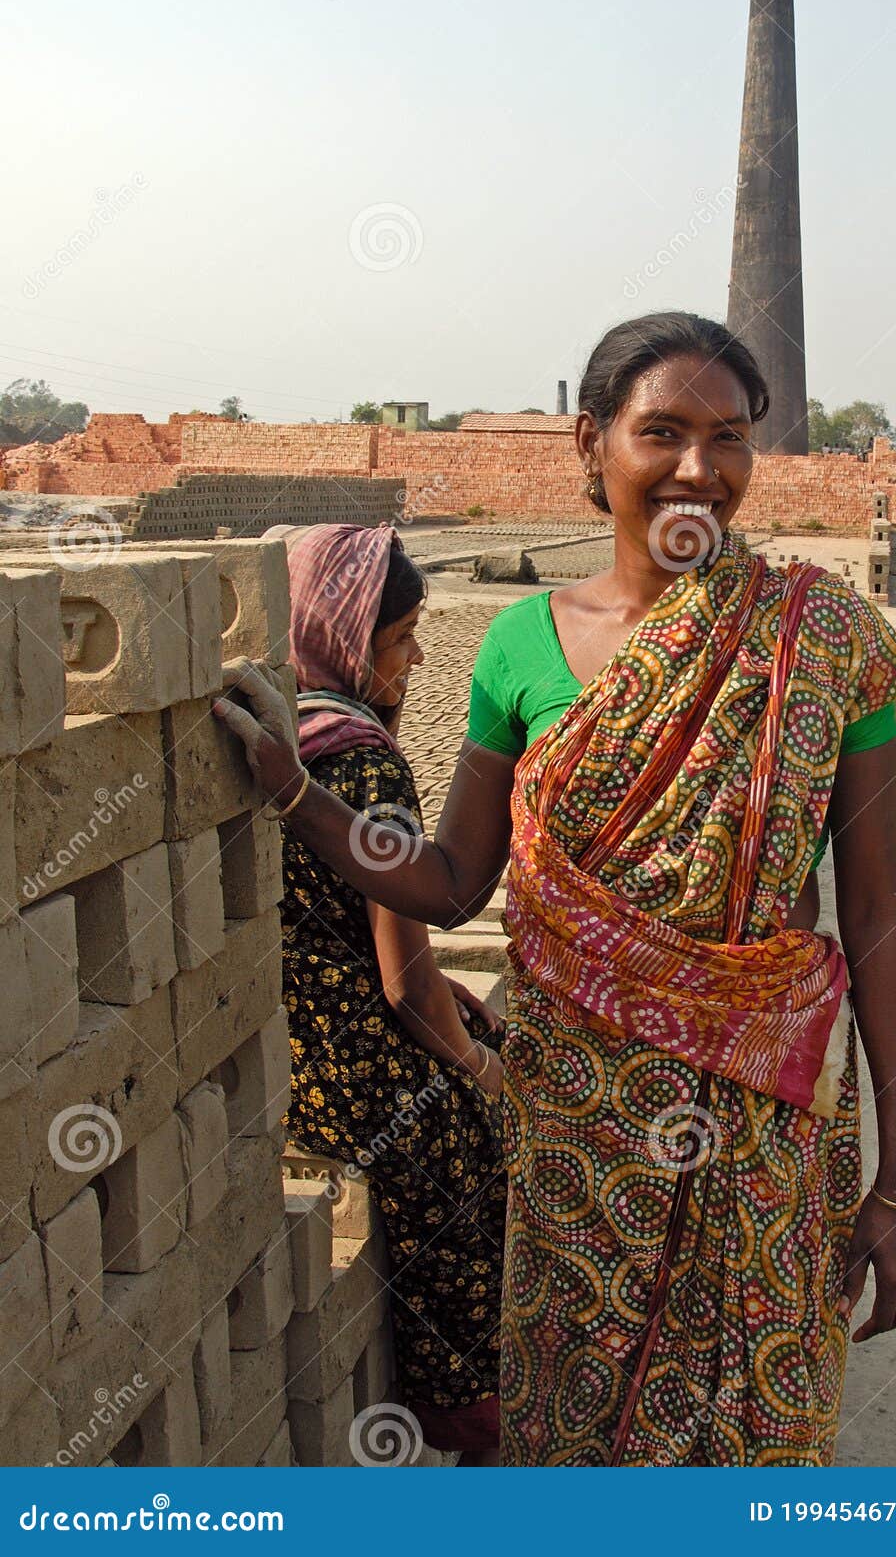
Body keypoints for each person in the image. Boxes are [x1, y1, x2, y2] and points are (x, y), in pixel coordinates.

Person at [215, 313, 896, 1468]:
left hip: (763, 1129)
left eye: (729, 436)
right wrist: (300, 795)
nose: (700, 466)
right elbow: (452, 880)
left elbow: (878, 911)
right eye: (664, 431)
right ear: (591, 441)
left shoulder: (826, 637)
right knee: (581, 1430)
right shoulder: (518, 646)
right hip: (575, 1134)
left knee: (752, 1439)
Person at [260, 523, 506, 1464]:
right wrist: (476, 1066)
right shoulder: (363, 765)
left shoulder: (282, 735)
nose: (415, 661)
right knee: (486, 1131)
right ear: (345, 638)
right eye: (401, 639)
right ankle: (472, 1401)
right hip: (357, 1077)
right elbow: (403, 986)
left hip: (289, 1057)